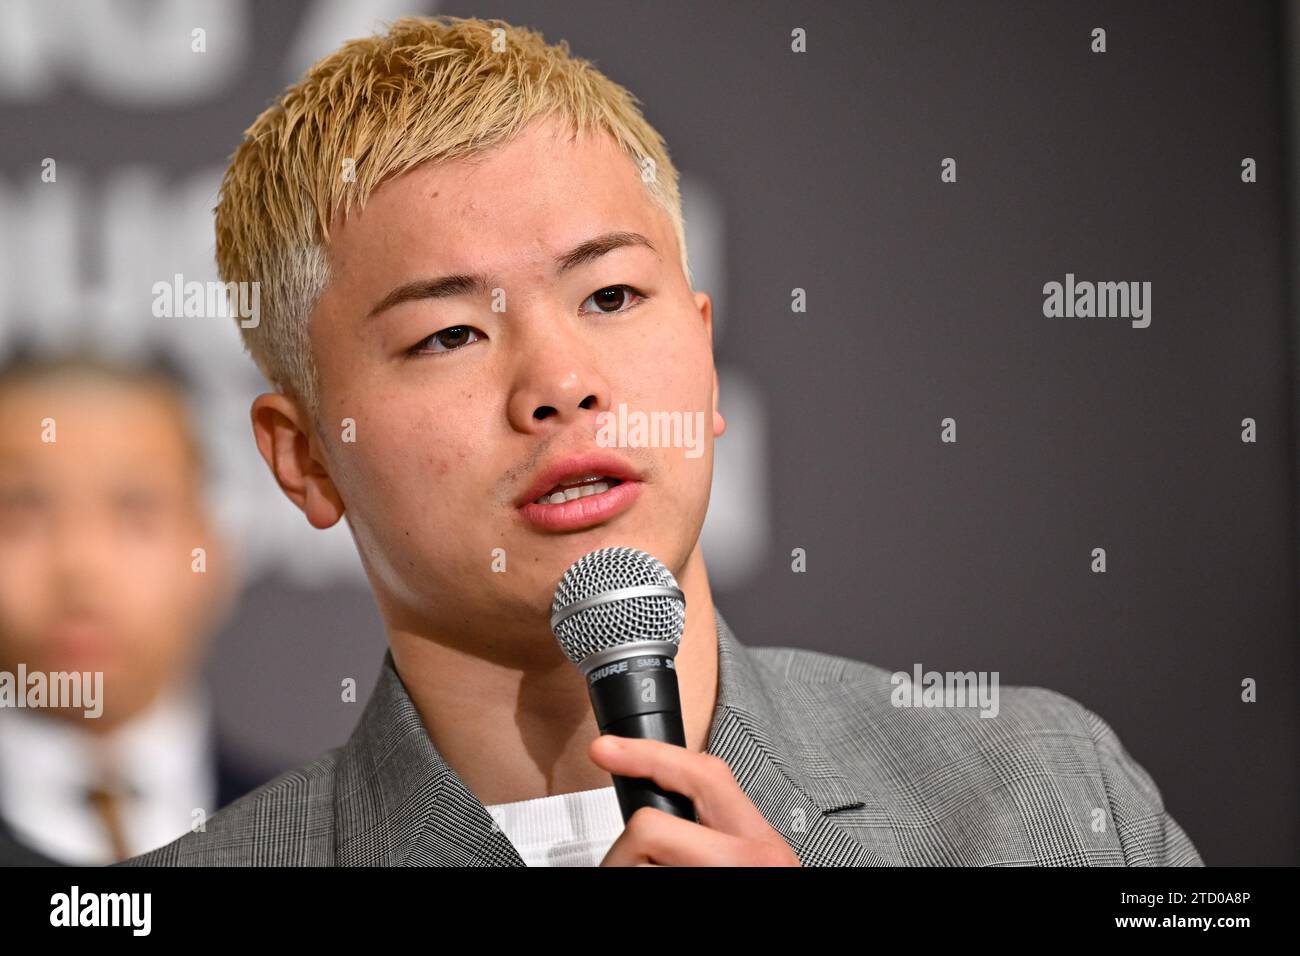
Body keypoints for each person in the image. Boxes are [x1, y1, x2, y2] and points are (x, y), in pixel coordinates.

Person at [122, 15, 1201, 866]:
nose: (560, 384)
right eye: (449, 331)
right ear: (304, 456)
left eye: (609, 294)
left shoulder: (1044, 799)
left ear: (702, 348)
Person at [0, 351, 273, 865]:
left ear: (210, 548)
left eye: (135, 507)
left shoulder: (314, 834)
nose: (81, 567)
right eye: (23, 508)